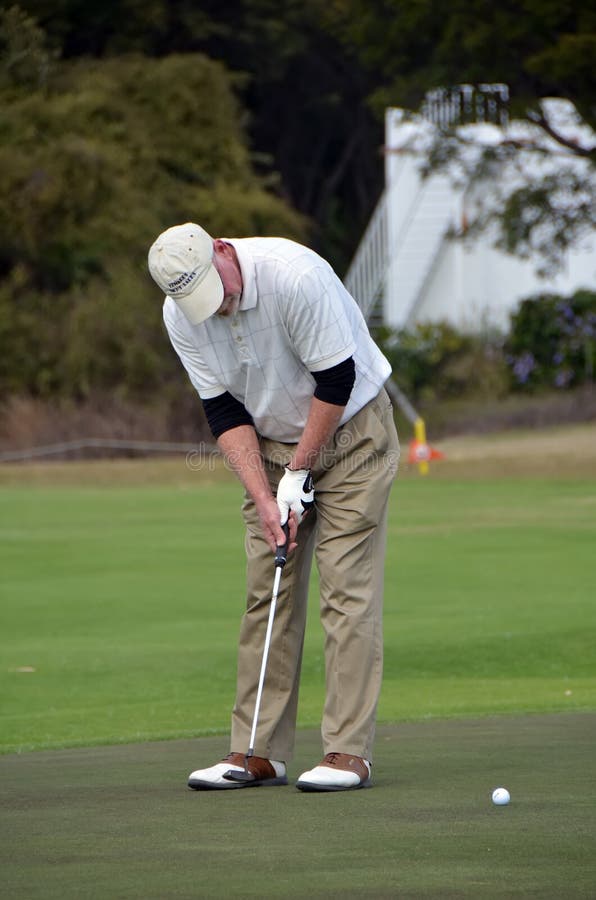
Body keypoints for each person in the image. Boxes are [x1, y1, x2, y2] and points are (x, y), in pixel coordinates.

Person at [148, 223, 399, 792]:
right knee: (268, 588)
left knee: (346, 588)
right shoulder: (180, 316)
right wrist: (266, 498)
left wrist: (300, 472)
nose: (218, 307)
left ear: (221, 250)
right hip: (269, 446)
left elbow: (336, 380)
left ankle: (347, 752)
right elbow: (223, 411)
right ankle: (257, 752)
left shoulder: (295, 276)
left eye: (217, 290)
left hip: (354, 432)